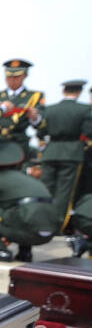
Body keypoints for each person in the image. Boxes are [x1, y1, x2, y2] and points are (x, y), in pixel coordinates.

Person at [0, 141, 59, 262]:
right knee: (23, 209)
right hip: (49, 234)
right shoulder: (32, 180)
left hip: (27, 233)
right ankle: (25, 252)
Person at [40, 79, 92, 225]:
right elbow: (88, 132)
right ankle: (56, 223)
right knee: (64, 191)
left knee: (46, 188)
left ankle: (41, 220)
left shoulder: (49, 109)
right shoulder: (84, 109)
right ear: (79, 92)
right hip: (72, 152)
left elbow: (41, 131)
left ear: (64, 91)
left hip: (51, 151)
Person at [0, 58, 45, 159]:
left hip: (18, 142)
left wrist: (34, 118)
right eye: (9, 77)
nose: (12, 80)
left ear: (25, 76)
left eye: (17, 77)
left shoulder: (34, 96)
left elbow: (41, 125)